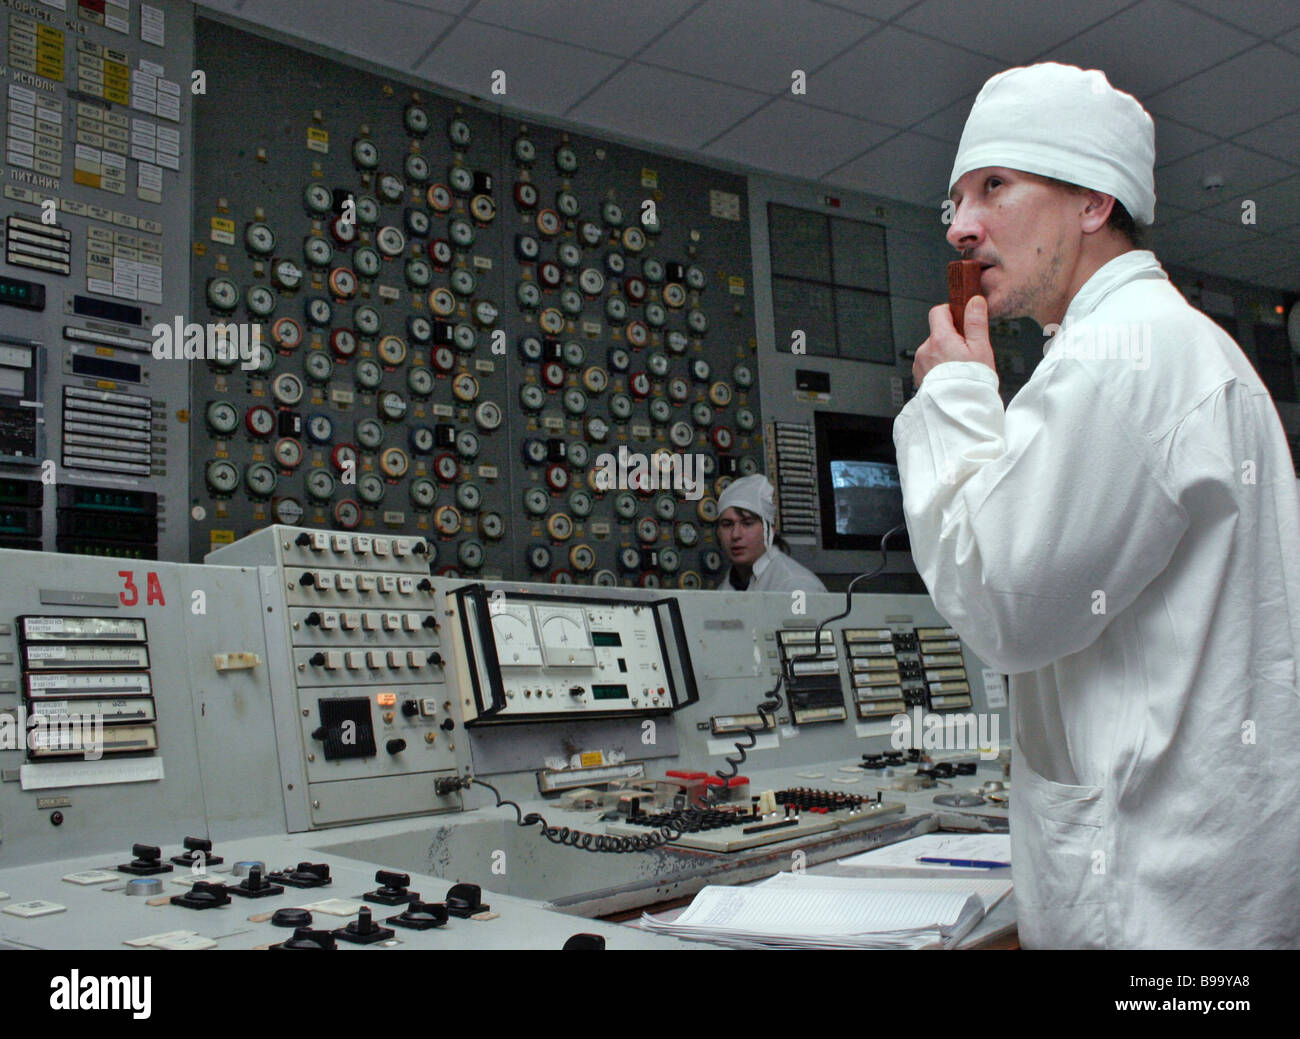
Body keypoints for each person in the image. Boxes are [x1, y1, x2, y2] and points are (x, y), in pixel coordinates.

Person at [893, 62, 1300, 949]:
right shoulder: (1180, 347)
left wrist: (955, 400)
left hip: (1157, 917)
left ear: (1092, 202)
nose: (962, 227)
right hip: (1205, 899)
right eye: (956, 200)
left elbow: (1003, 604)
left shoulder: (1122, 355)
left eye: (995, 186)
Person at [713, 475, 826, 594]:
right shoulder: (728, 584)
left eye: (747, 523)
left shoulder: (796, 586)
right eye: (727, 524)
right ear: (718, 532)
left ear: (770, 529)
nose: (735, 535)